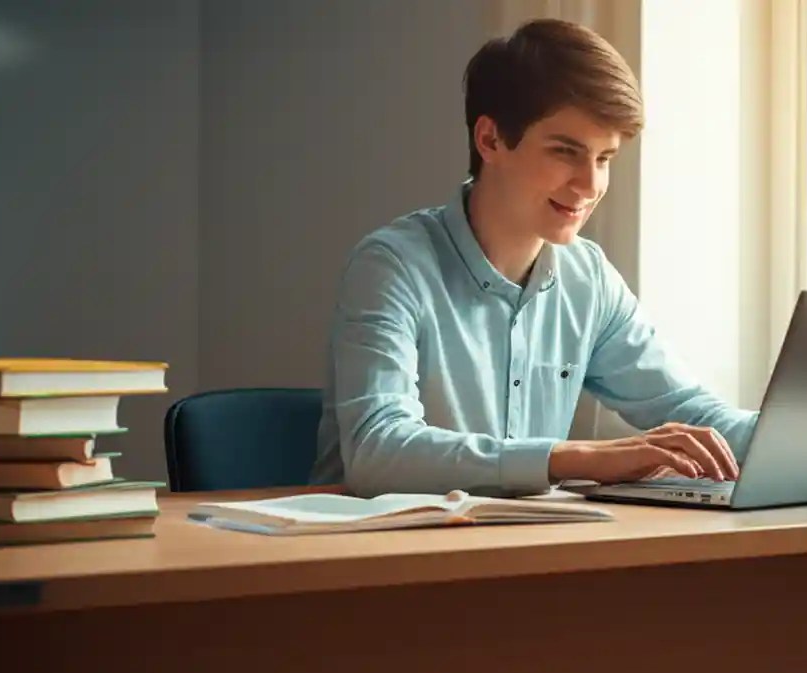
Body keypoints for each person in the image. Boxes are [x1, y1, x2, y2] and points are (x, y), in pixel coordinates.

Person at [312, 18, 758, 497]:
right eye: (566, 151)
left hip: (528, 551)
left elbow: (692, 414)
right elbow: (378, 451)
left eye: (604, 158)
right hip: (378, 558)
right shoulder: (392, 266)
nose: (590, 186)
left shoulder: (588, 280)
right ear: (491, 141)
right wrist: (578, 458)